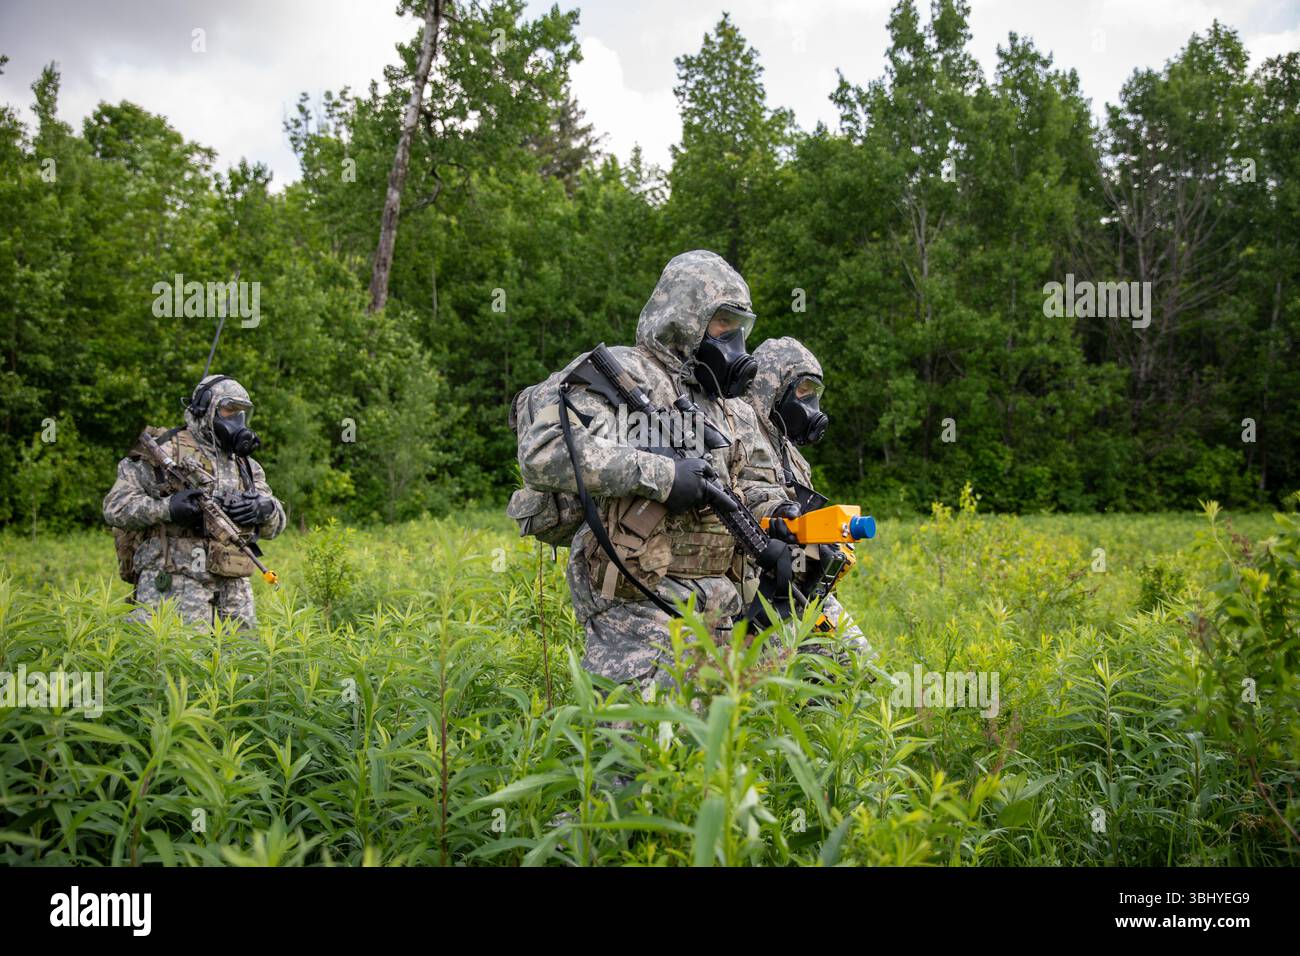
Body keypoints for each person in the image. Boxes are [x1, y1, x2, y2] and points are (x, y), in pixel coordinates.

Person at [517, 250, 790, 697]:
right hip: (635, 602)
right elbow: (544, 452)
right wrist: (662, 475)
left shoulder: (719, 403)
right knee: (636, 755)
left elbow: (737, 487)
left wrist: (777, 525)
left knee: (701, 760)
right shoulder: (624, 372)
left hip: (713, 606)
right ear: (686, 315)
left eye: (742, 326)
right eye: (724, 322)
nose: (735, 340)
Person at [103, 374, 285, 631]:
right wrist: (167, 509)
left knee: (242, 664)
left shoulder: (245, 465)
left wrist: (264, 509)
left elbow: (274, 527)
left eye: (242, 412)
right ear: (205, 407)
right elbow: (115, 507)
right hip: (174, 585)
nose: (237, 419)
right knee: (178, 663)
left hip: (233, 588)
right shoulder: (164, 452)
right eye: (229, 409)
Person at [737, 336, 871, 665]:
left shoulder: (794, 457)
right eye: (802, 391)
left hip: (804, 590)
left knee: (859, 668)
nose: (810, 404)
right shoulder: (738, 436)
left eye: (815, 394)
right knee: (779, 690)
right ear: (773, 386)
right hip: (757, 591)